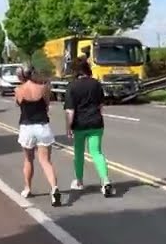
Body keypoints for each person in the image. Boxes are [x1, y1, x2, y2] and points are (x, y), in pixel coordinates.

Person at [63, 57, 114, 197]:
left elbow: (70, 111)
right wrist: (97, 116)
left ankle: (79, 181)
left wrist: (68, 127)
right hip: (96, 123)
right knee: (97, 152)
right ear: (87, 69)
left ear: (75, 71)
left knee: (79, 153)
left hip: (79, 125)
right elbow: (101, 105)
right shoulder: (96, 84)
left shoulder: (72, 86)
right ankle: (105, 181)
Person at [13, 63, 62, 206]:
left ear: (21, 75)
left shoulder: (19, 90)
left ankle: (27, 188)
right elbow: (46, 105)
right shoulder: (43, 88)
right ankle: (54, 189)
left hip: (27, 127)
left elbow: (18, 104)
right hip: (42, 126)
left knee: (28, 160)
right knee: (45, 161)